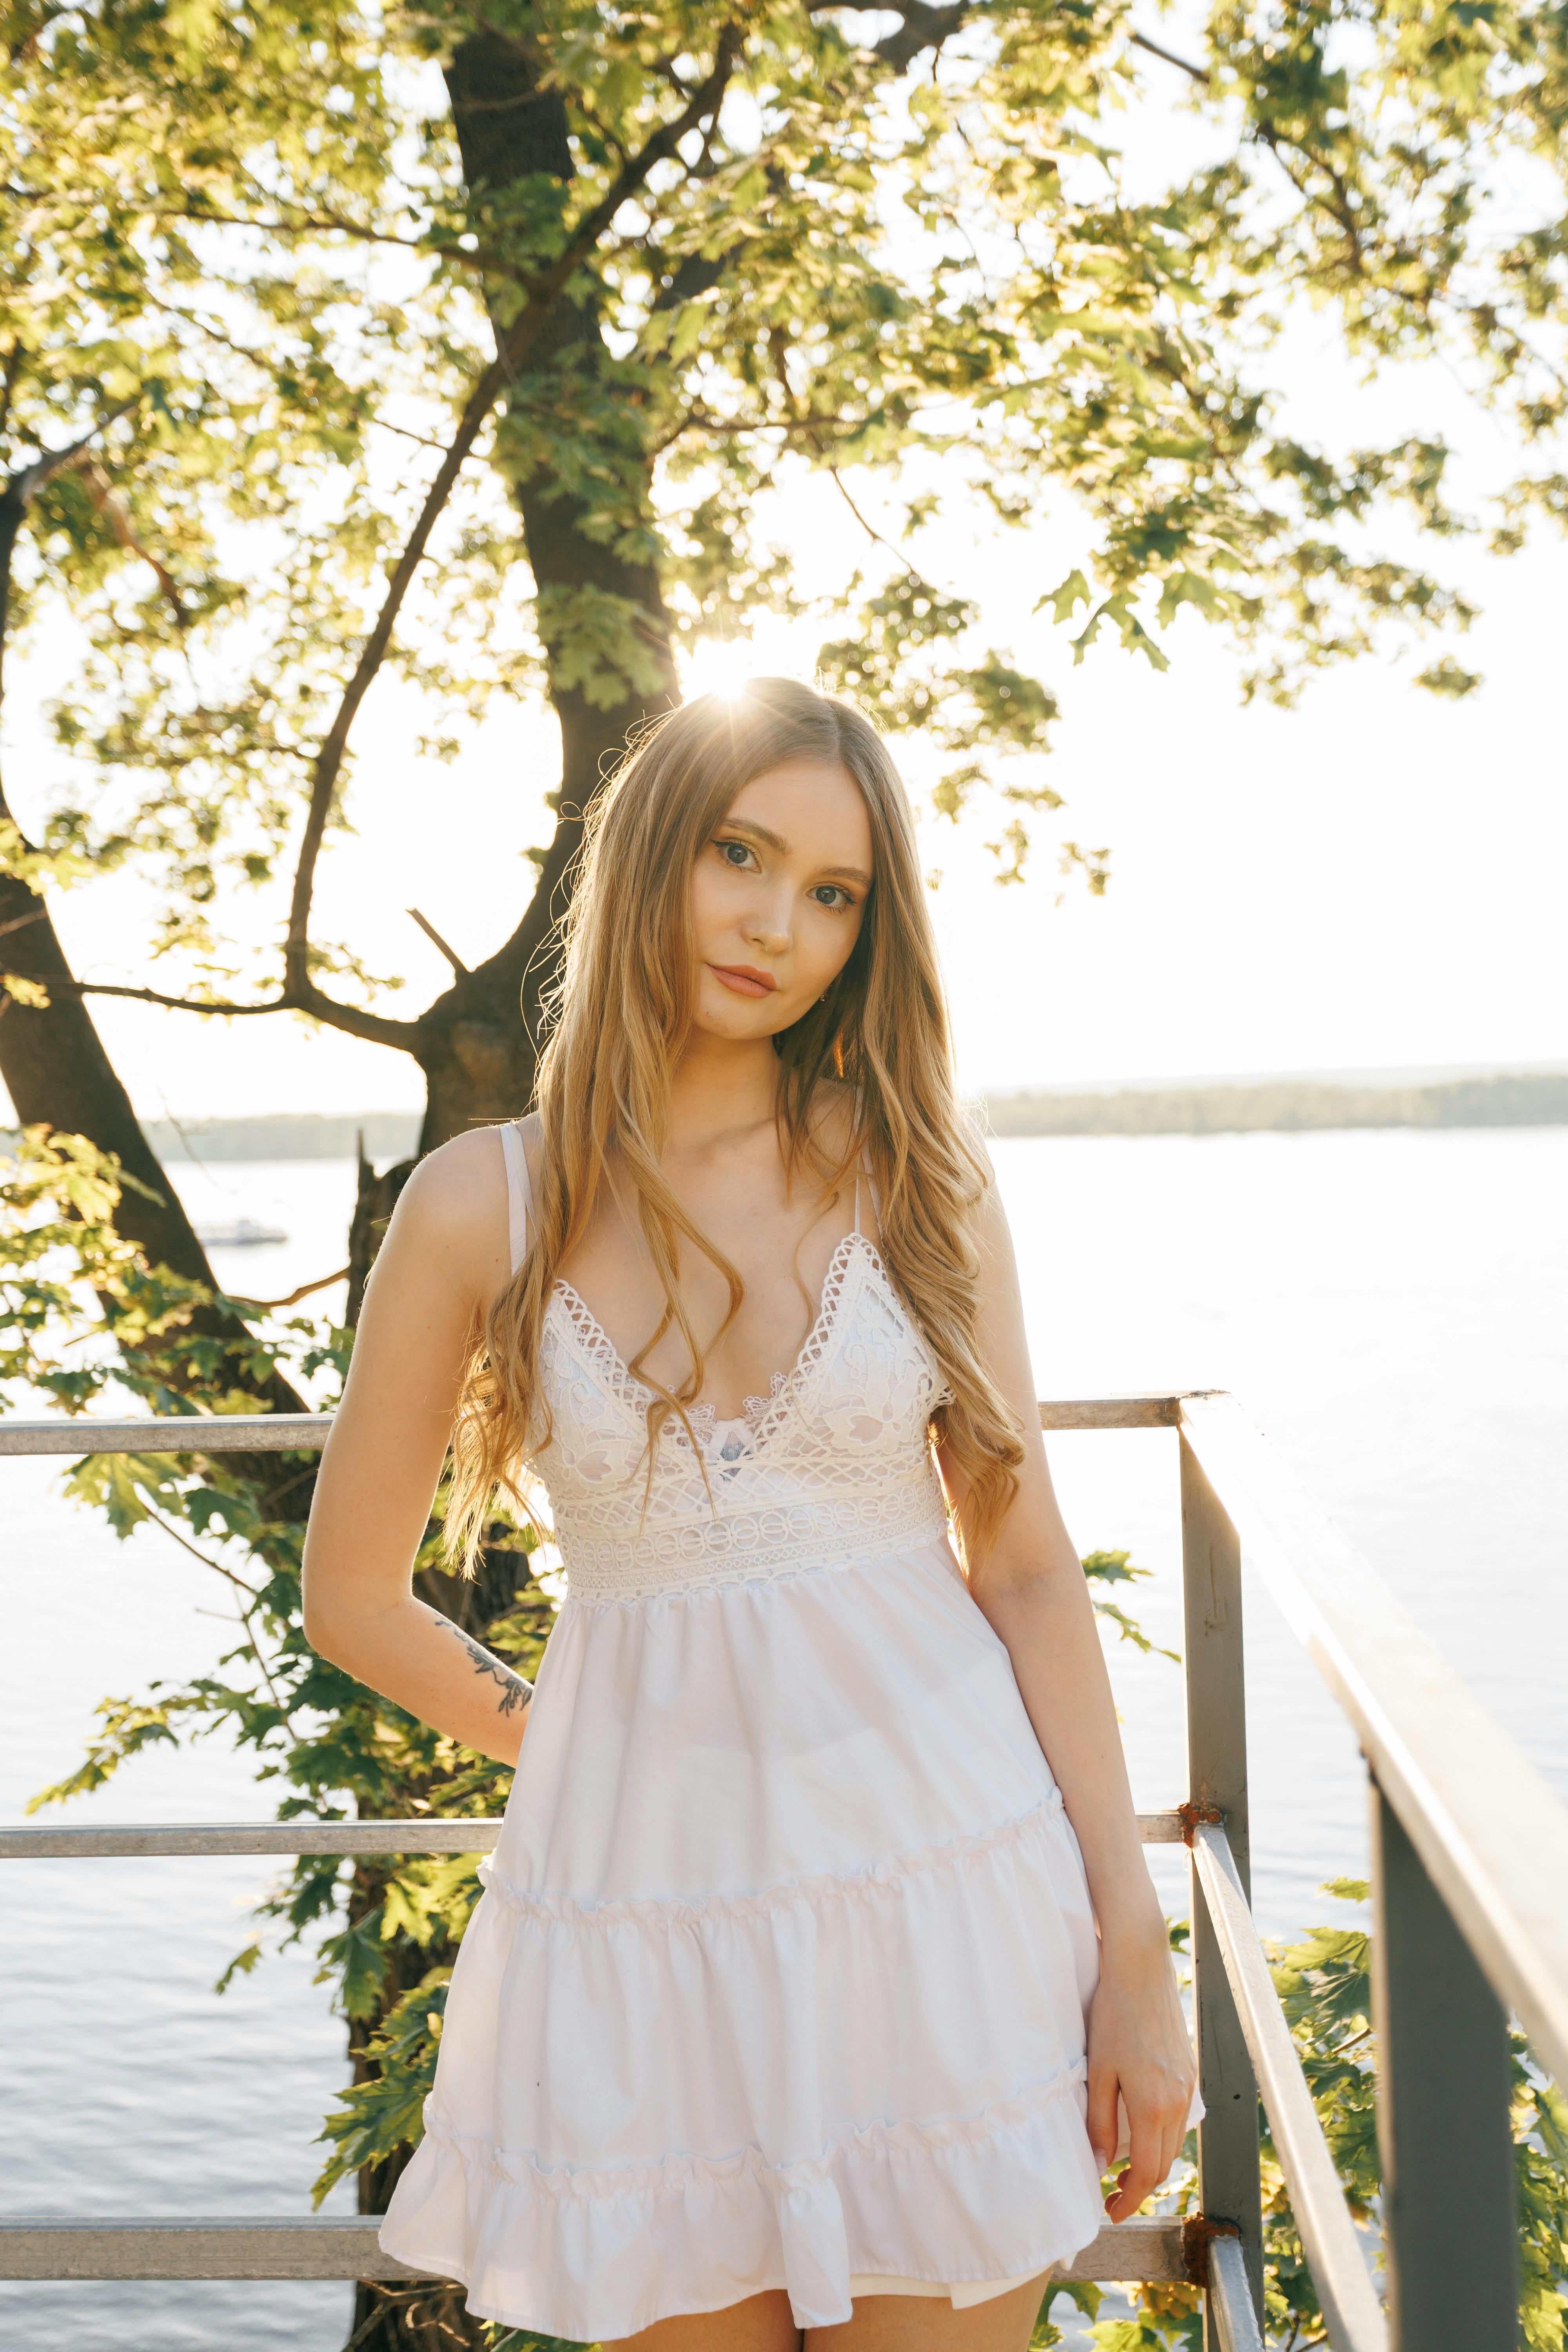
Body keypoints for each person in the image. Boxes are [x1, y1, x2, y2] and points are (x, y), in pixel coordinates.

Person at [302, 677, 1197, 2352]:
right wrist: (591, 1744)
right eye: (740, 854)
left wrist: (1129, 1944)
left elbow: (1019, 1565)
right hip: (646, 1930)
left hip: (948, 1893)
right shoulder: (473, 1205)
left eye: (834, 893)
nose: (776, 923)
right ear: (654, 851)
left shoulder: (917, 1170)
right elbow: (353, 1597)